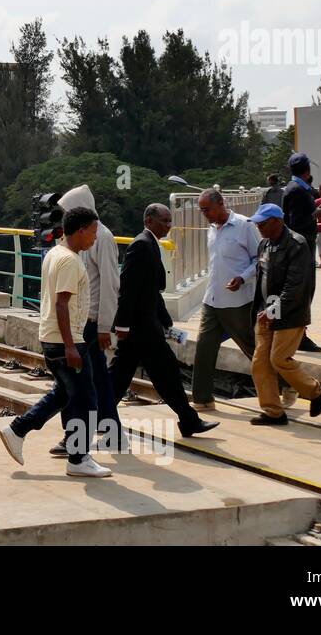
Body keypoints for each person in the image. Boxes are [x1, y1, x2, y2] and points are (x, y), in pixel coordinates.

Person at [0, 207, 113, 476]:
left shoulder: (55, 254)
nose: (95, 239)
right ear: (81, 230)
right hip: (66, 341)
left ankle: (17, 430)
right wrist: (72, 345)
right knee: (87, 401)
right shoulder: (70, 261)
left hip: (56, 339)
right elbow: (62, 305)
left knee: (63, 394)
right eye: (93, 233)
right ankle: (78, 459)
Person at [109, 204, 219, 438]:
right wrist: (122, 325)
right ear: (149, 221)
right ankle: (189, 420)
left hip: (146, 327)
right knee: (160, 373)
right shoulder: (141, 245)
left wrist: (166, 322)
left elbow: (151, 291)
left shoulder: (151, 244)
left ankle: (188, 420)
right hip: (140, 328)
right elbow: (128, 289)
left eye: (170, 221)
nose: (169, 225)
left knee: (124, 378)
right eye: (164, 221)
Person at [49, 184, 122, 455]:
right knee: (97, 379)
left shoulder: (102, 238)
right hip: (81, 319)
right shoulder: (76, 238)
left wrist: (105, 326)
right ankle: (109, 433)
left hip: (90, 320)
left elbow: (109, 284)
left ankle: (74, 437)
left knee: (74, 381)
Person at [247, 203, 321, 425]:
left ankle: (317, 391)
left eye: (263, 223)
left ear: (278, 221)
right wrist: (261, 309)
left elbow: (295, 286)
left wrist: (274, 310)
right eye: (257, 224)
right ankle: (273, 412)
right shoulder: (264, 244)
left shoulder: (296, 244)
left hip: (289, 313)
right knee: (260, 364)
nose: (259, 228)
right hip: (264, 312)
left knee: (279, 359)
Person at [191, 189, 260, 409]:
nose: (205, 215)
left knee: (253, 349)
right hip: (212, 299)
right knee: (204, 348)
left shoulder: (244, 225)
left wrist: (242, 278)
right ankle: (202, 399)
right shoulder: (211, 229)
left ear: (221, 203)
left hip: (238, 302)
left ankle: (287, 384)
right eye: (201, 211)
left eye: (207, 209)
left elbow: (261, 259)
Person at [283, 154, 321, 353]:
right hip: (302, 247)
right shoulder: (298, 191)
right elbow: (297, 223)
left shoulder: (295, 188)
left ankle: (297, 332)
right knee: (303, 289)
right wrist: (317, 214)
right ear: (307, 171)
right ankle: (298, 335)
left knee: (302, 289)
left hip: (300, 246)